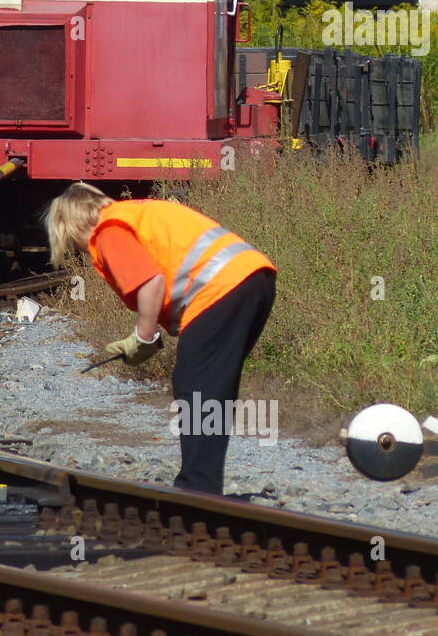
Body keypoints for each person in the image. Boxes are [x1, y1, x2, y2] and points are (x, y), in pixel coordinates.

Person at [44, 182, 277, 495]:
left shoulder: (108, 230)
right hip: (254, 280)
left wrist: (142, 336)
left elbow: (151, 283)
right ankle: (203, 485)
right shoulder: (132, 215)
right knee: (211, 387)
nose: (79, 249)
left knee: (197, 387)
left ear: (69, 225)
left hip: (222, 290)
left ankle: (198, 490)